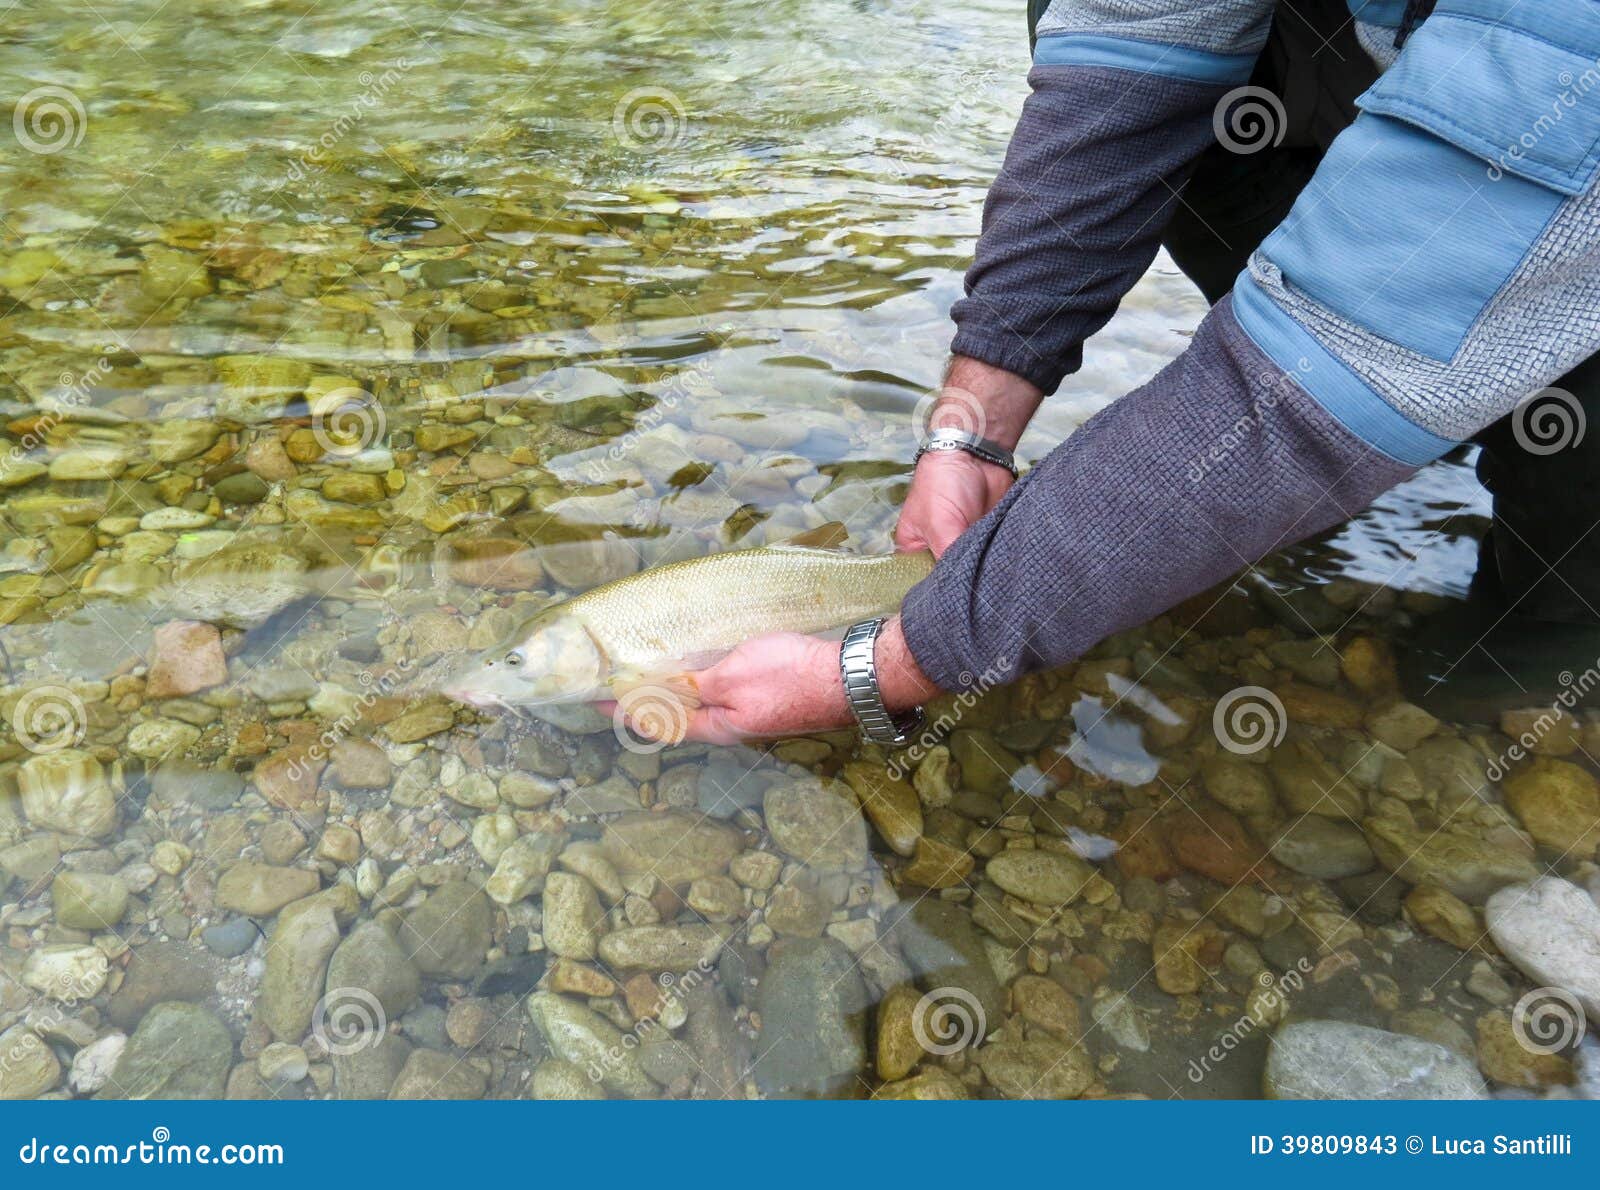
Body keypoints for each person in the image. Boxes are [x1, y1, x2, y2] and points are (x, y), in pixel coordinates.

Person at [673, 0, 1600, 745]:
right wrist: (970, 426)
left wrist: (879, 671)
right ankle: (1400, 434)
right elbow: (1127, 69)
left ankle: (1557, 636)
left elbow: (1301, 390)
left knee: (1512, 401)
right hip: (1364, 65)